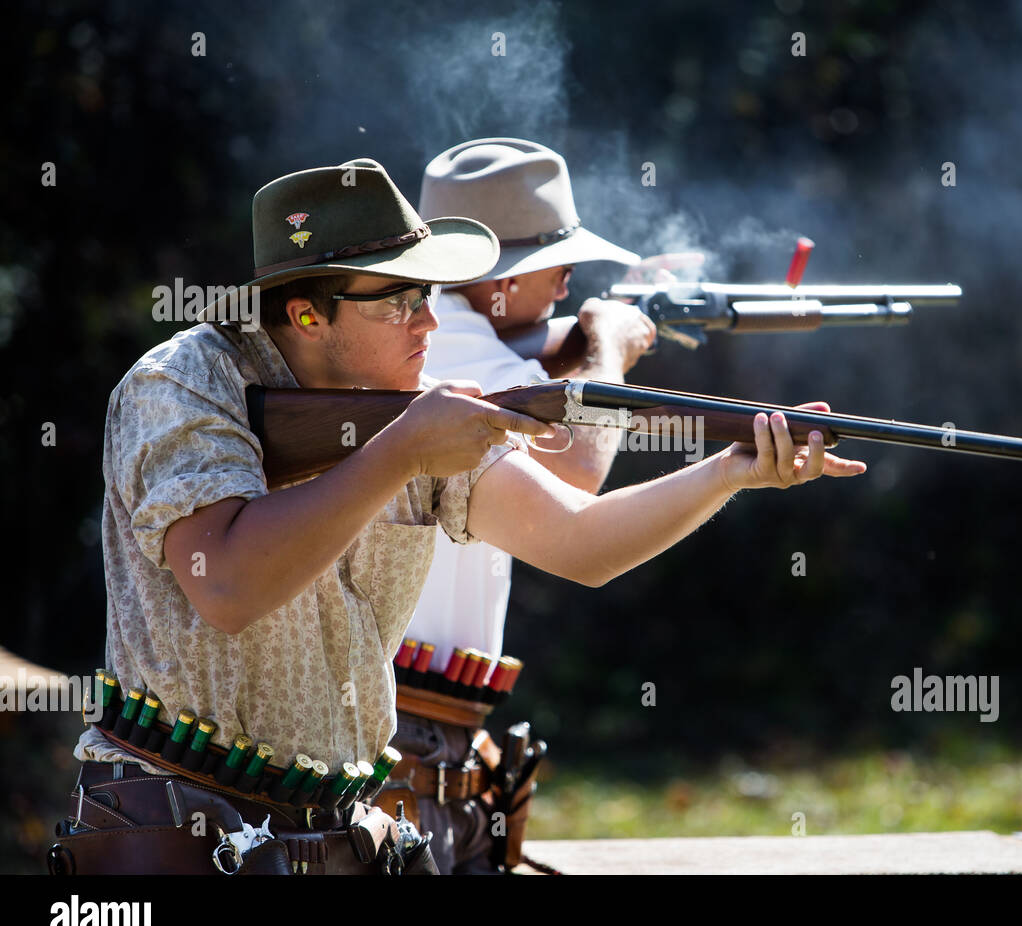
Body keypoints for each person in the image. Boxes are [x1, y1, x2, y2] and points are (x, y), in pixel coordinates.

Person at [53, 157, 864, 875]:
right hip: (180, 828)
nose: (430, 323)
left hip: (338, 828)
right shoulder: (185, 386)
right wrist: (400, 454)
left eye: (428, 295)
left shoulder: (406, 411)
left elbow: (582, 541)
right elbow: (225, 585)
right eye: (399, 301)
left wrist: (730, 470)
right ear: (306, 315)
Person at [393, 139, 667, 871]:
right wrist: (605, 349)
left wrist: (590, 339)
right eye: (554, 261)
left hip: (427, 722)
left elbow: (528, 357)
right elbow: (576, 478)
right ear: (494, 283)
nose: (569, 279)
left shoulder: (441, 336)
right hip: (405, 731)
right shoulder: (454, 356)